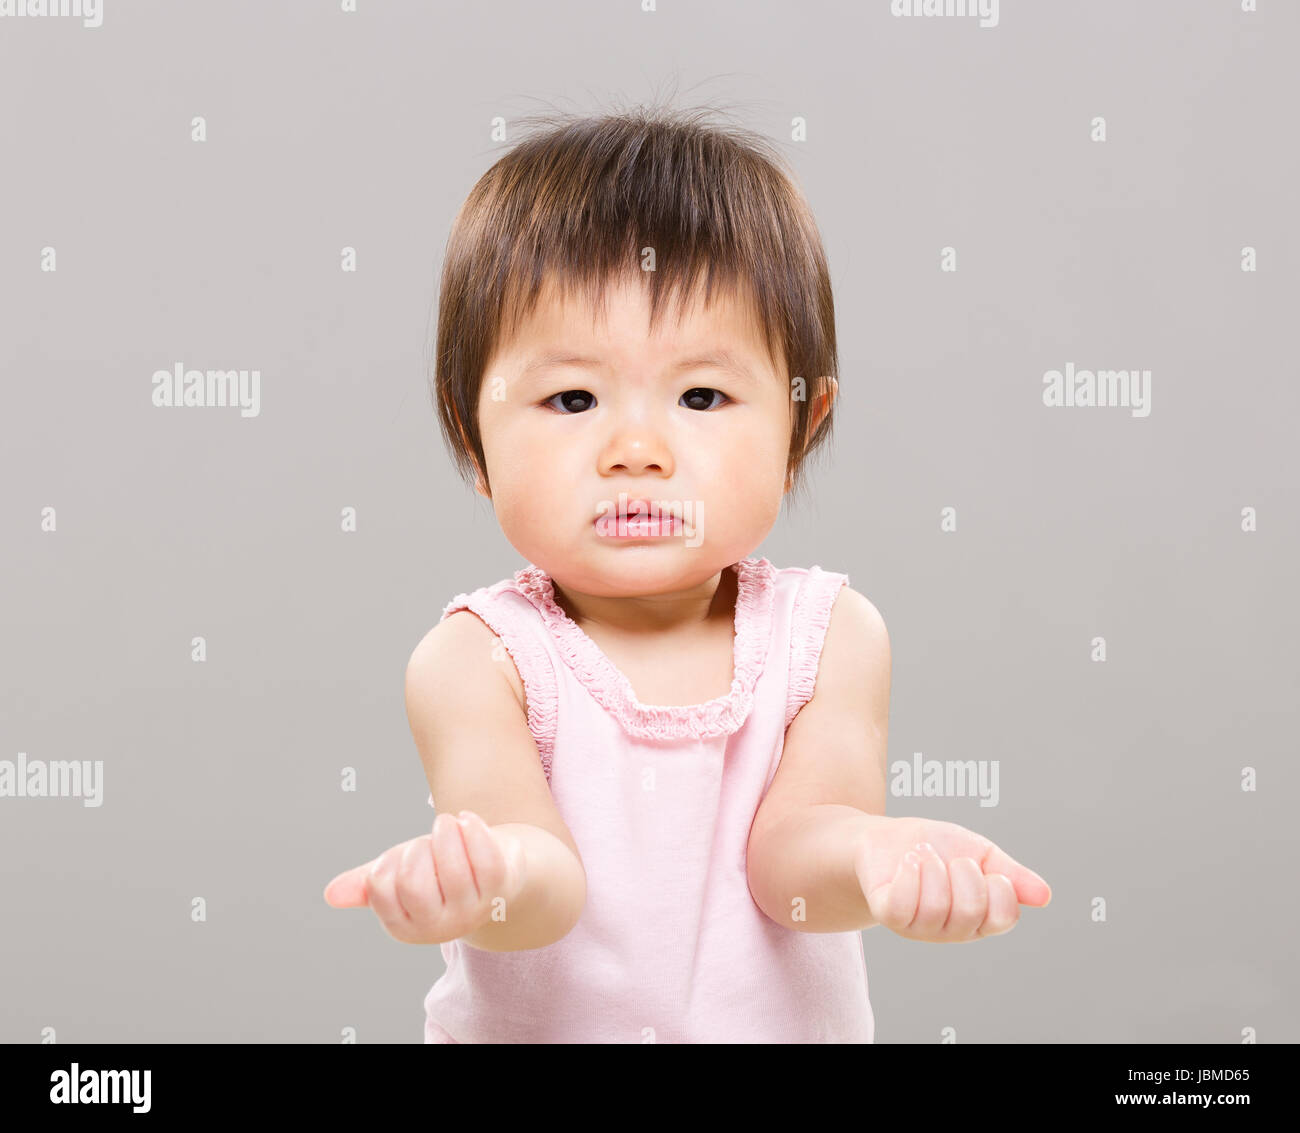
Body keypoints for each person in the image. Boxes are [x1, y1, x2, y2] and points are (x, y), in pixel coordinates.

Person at [323, 105, 1051, 1043]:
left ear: (803, 425)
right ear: (472, 436)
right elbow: (544, 886)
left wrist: (882, 855)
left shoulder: (829, 636)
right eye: (572, 398)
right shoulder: (478, 659)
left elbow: (791, 865)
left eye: (702, 395)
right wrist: (480, 875)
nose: (637, 449)